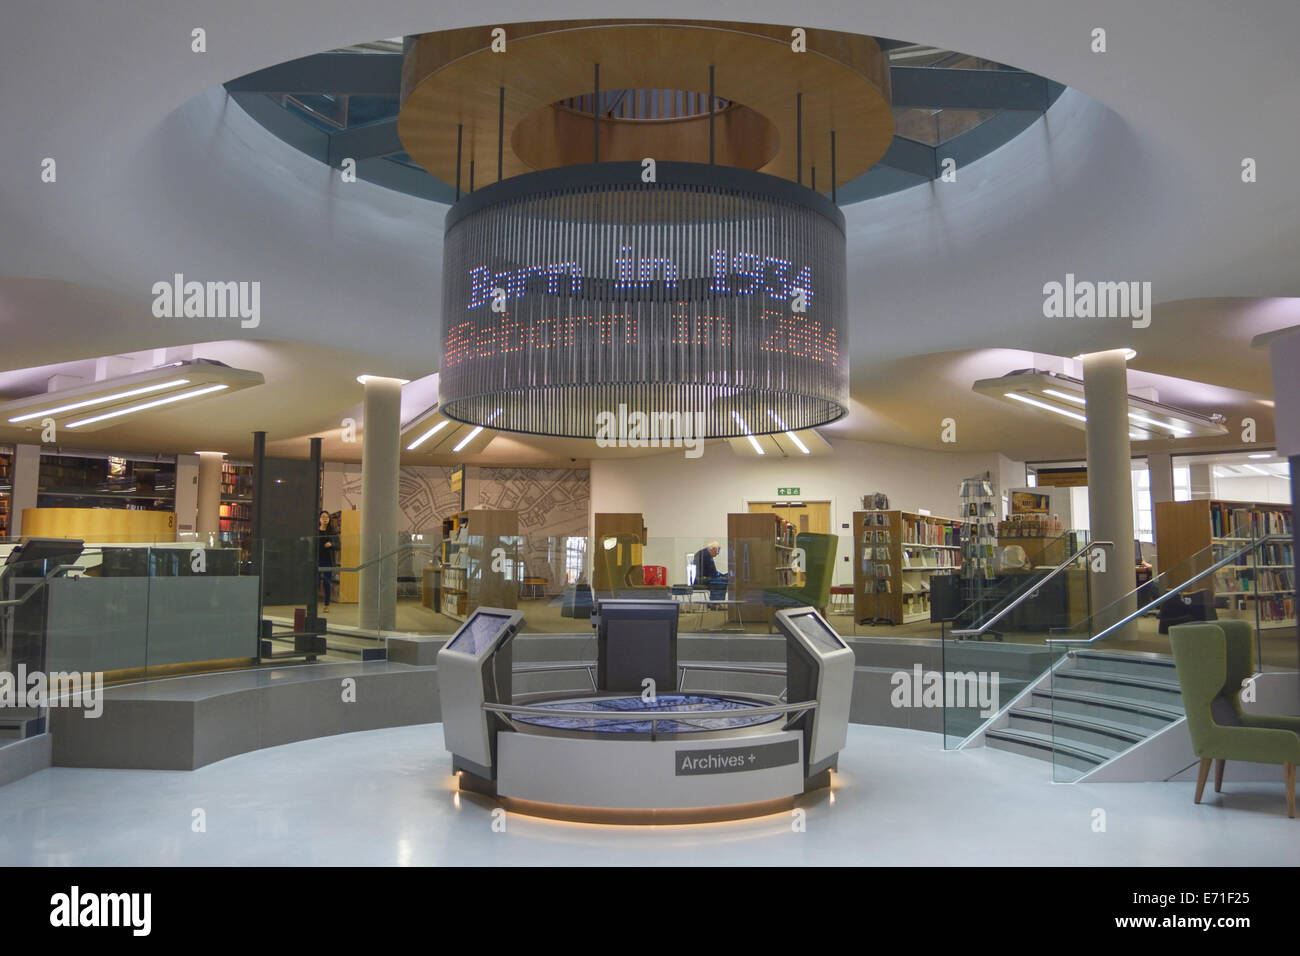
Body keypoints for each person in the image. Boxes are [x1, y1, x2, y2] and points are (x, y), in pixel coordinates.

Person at [317, 510, 339, 610]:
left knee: (327, 582)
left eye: (327, 517)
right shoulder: (315, 531)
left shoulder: (332, 532)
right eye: (323, 517)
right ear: (319, 519)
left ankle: (326, 605)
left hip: (327, 561)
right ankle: (313, 604)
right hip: (316, 560)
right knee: (315, 582)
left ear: (329, 519)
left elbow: (339, 545)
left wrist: (332, 544)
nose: (325, 519)